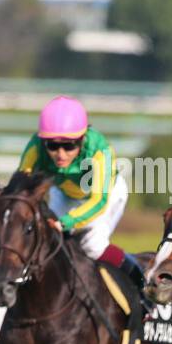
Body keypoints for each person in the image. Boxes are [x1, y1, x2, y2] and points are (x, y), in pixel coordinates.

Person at [18, 95, 141, 293]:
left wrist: (66, 223)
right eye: (52, 145)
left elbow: (99, 200)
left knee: (92, 245)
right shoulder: (35, 146)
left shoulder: (99, 150)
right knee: (45, 239)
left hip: (106, 195)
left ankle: (139, 279)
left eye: (69, 146)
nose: (60, 154)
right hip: (65, 193)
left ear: (83, 138)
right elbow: (22, 186)